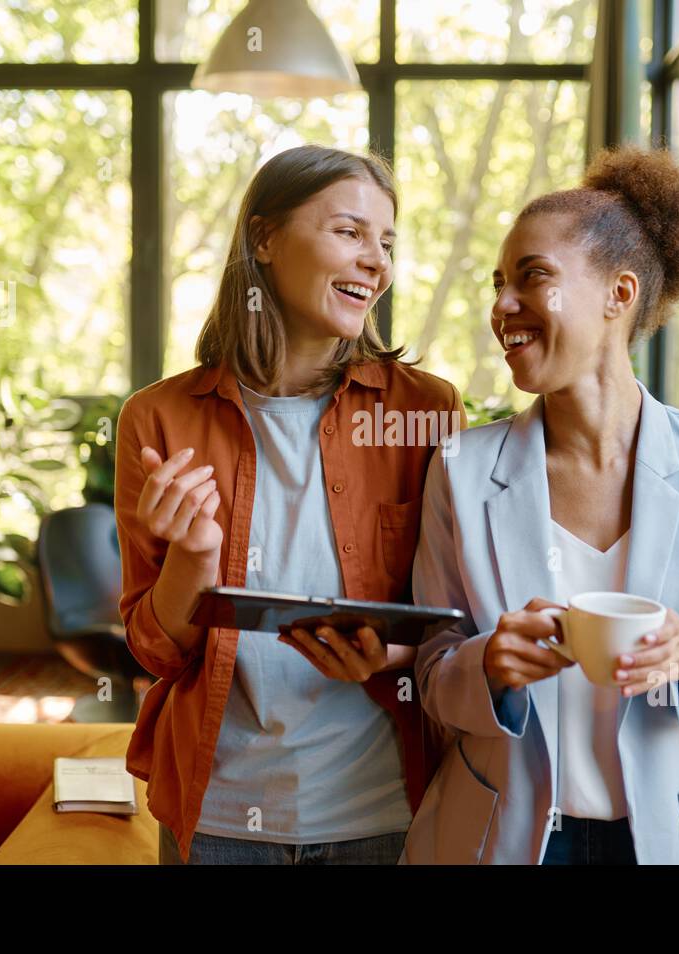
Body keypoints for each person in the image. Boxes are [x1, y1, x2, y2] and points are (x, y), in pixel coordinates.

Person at [401, 144, 679, 865]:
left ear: (620, 293)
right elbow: (430, 672)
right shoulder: (461, 467)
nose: (501, 307)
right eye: (497, 285)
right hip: (505, 837)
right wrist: (489, 663)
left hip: (668, 842)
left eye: (533, 278)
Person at [114, 144, 463, 865]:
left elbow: (459, 616)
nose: (377, 261)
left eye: (386, 242)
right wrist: (194, 558)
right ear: (265, 239)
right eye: (349, 232)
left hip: (382, 810)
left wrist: (388, 651)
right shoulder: (157, 419)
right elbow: (152, 652)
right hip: (216, 819)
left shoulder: (427, 411)